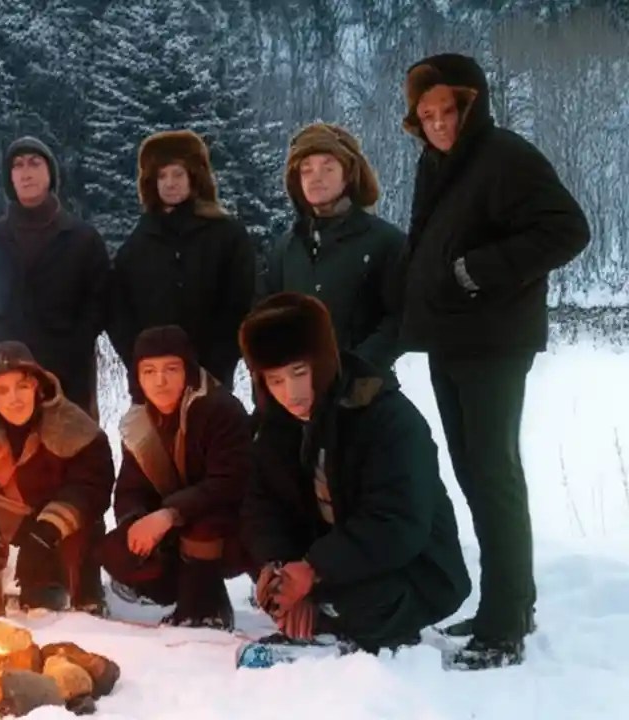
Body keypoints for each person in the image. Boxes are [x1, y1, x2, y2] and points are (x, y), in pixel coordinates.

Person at [399, 53, 590, 668]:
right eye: (425, 115)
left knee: (494, 475)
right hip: (451, 339)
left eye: (446, 111)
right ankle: (508, 603)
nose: (436, 123)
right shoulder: (439, 166)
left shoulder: (505, 156)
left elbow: (568, 229)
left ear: (470, 106)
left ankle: (505, 626)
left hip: (494, 341)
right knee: (475, 474)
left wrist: (478, 269)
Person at [239, 292, 470, 655]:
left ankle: (338, 629)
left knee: (360, 603)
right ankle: (317, 617)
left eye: (300, 372)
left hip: (412, 569)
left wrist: (313, 570)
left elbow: (398, 522)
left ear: (323, 360)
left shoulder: (385, 416)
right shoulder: (271, 428)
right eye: (275, 380)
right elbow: (260, 507)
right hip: (326, 563)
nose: (291, 393)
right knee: (274, 586)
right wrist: (280, 570)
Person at [0, 341, 115, 621]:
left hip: (58, 527)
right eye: (2, 390)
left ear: (38, 388)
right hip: (6, 520)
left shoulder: (73, 425)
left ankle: (76, 595)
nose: (14, 398)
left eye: (22, 386)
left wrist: (45, 533)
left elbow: (91, 486)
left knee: (52, 602)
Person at [95, 326, 253, 628]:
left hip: (232, 524)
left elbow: (230, 483)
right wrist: (135, 522)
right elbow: (130, 489)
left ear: (188, 371)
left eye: (171, 369)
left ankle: (205, 608)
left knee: (204, 524)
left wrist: (170, 514)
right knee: (114, 550)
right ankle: (180, 591)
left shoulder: (219, 409)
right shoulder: (140, 421)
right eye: (149, 371)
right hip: (177, 524)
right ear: (137, 377)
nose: (160, 381)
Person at [0, 136, 109, 419]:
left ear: (50, 173)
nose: (26, 172)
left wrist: (73, 349)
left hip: (67, 384)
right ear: (10, 178)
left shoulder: (82, 239)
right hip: (3, 384)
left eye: (34, 163)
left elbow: (98, 306)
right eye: (17, 165)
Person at [109, 130, 255, 388]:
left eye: (178, 173)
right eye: (161, 176)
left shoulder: (227, 235)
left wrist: (220, 362)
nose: (170, 183)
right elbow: (118, 312)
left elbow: (241, 303)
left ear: (194, 177)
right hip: (153, 383)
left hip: (210, 377)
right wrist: (139, 361)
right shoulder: (137, 243)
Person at [261, 123, 405, 370]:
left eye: (328, 167)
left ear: (348, 174)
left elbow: (401, 319)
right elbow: (264, 316)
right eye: (306, 170)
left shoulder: (385, 241)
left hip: (366, 393)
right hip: (296, 395)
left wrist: (359, 368)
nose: (316, 177)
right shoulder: (286, 248)